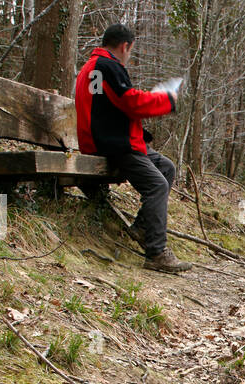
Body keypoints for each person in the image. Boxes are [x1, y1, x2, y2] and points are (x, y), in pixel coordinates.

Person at [75, 24, 189, 274]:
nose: (129, 56)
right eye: (130, 51)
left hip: (107, 139)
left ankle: (142, 228)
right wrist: (166, 99)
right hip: (114, 144)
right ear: (125, 46)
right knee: (157, 184)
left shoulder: (91, 67)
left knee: (166, 167)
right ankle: (156, 253)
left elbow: (116, 103)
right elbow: (131, 103)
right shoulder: (107, 66)